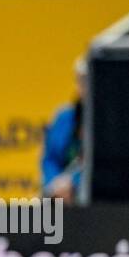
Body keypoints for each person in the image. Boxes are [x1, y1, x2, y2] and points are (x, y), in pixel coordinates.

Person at [42, 56, 86, 203]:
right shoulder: (64, 118)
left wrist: (73, 183)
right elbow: (50, 159)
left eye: (88, 80)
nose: (84, 86)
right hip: (59, 190)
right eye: (80, 81)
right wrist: (54, 182)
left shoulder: (110, 122)